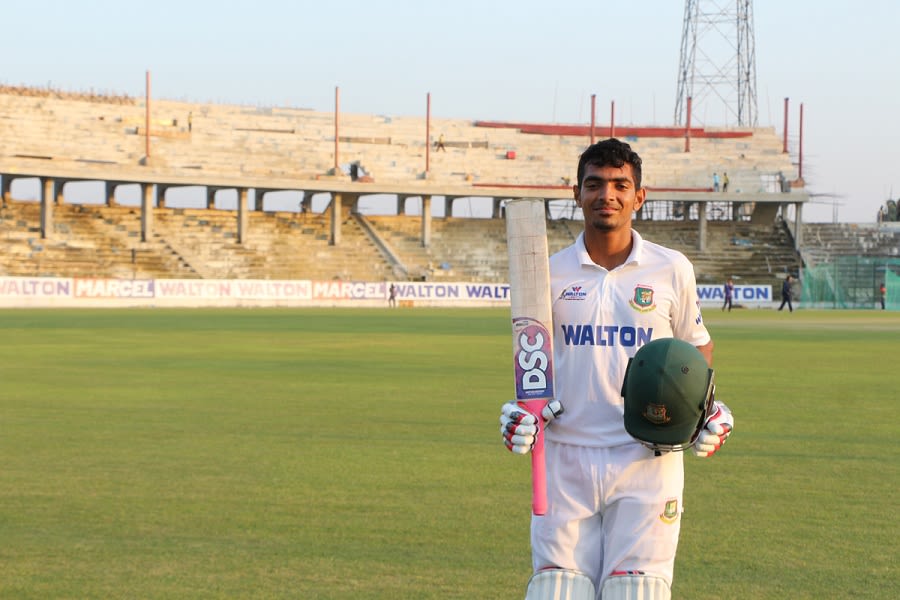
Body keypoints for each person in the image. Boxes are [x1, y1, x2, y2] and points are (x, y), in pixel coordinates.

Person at [499, 139, 733, 599]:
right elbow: (534, 361)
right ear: (577, 193)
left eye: (620, 185)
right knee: (556, 592)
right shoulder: (547, 274)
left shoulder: (671, 269)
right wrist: (523, 413)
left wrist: (706, 407)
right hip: (565, 458)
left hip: (647, 459)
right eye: (595, 184)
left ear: (638, 196)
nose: (607, 194)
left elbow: (696, 352)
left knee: (637, 593)